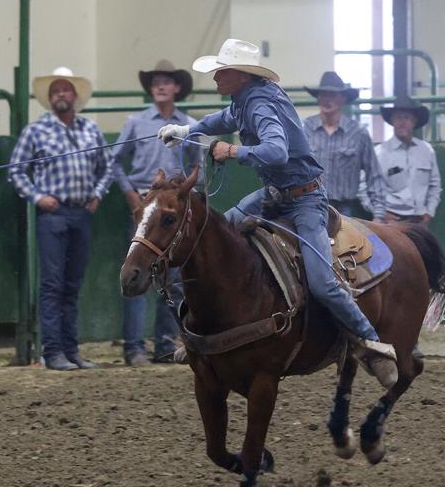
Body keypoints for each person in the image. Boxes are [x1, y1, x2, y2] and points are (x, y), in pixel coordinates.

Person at [157, 39, 397, 370]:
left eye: (222, 71)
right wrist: (188, 129)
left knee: (322, 283)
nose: (215, 78)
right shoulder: (245, 100)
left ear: (241, 75)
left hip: (305, 201)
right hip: (273, 195)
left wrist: (232, 151)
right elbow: (225, 118)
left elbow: (276, 151)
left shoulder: (260, 105)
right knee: (211, 241)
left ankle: (370, 342)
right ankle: (202, 333)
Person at [9, 67, 113, 371]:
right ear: (50, 99)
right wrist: (37, 197)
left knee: (72, 284)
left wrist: (98, 193)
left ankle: (71, 350)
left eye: (65, 90)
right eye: (55, 91)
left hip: (81, 213)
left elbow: (106, 166)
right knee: (53, 284)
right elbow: (16, 170)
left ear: (74, 95)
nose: (60, 95)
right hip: (53, 215)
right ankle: (53, 351)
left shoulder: (90, 130)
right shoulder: (36, 131)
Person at [110, 60, 199, 366]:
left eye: (166, 81)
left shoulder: (187, 123)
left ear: (176, 88)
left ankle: (164, 343)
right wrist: (133, 196)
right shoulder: (136, 123)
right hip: (144, 211)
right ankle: (134, 348)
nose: (160, 86)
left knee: (172, 279)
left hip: (172, 213)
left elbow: (195, 165)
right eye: (156, 82)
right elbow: (115, 161)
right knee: (137, 271)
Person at [303, 71, 386, 220]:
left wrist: (379, 214)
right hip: (309, 206)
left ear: (342, 99)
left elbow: (374, 175)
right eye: (324, 95)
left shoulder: (358, 133)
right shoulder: (305, 129)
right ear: (318, 98)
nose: (327, 100)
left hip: (343, 209)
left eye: (332, 96)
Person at [375, 97, 441, 225]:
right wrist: (381, 212)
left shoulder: (427, 150)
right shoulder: (380, 152)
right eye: (398, 117)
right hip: (391, 220)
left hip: (420, 220)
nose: (402, 122)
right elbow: (366, 188)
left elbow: (435, 185)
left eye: (407, 117)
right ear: (392, 120)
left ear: (414, 121)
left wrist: (429, 212)